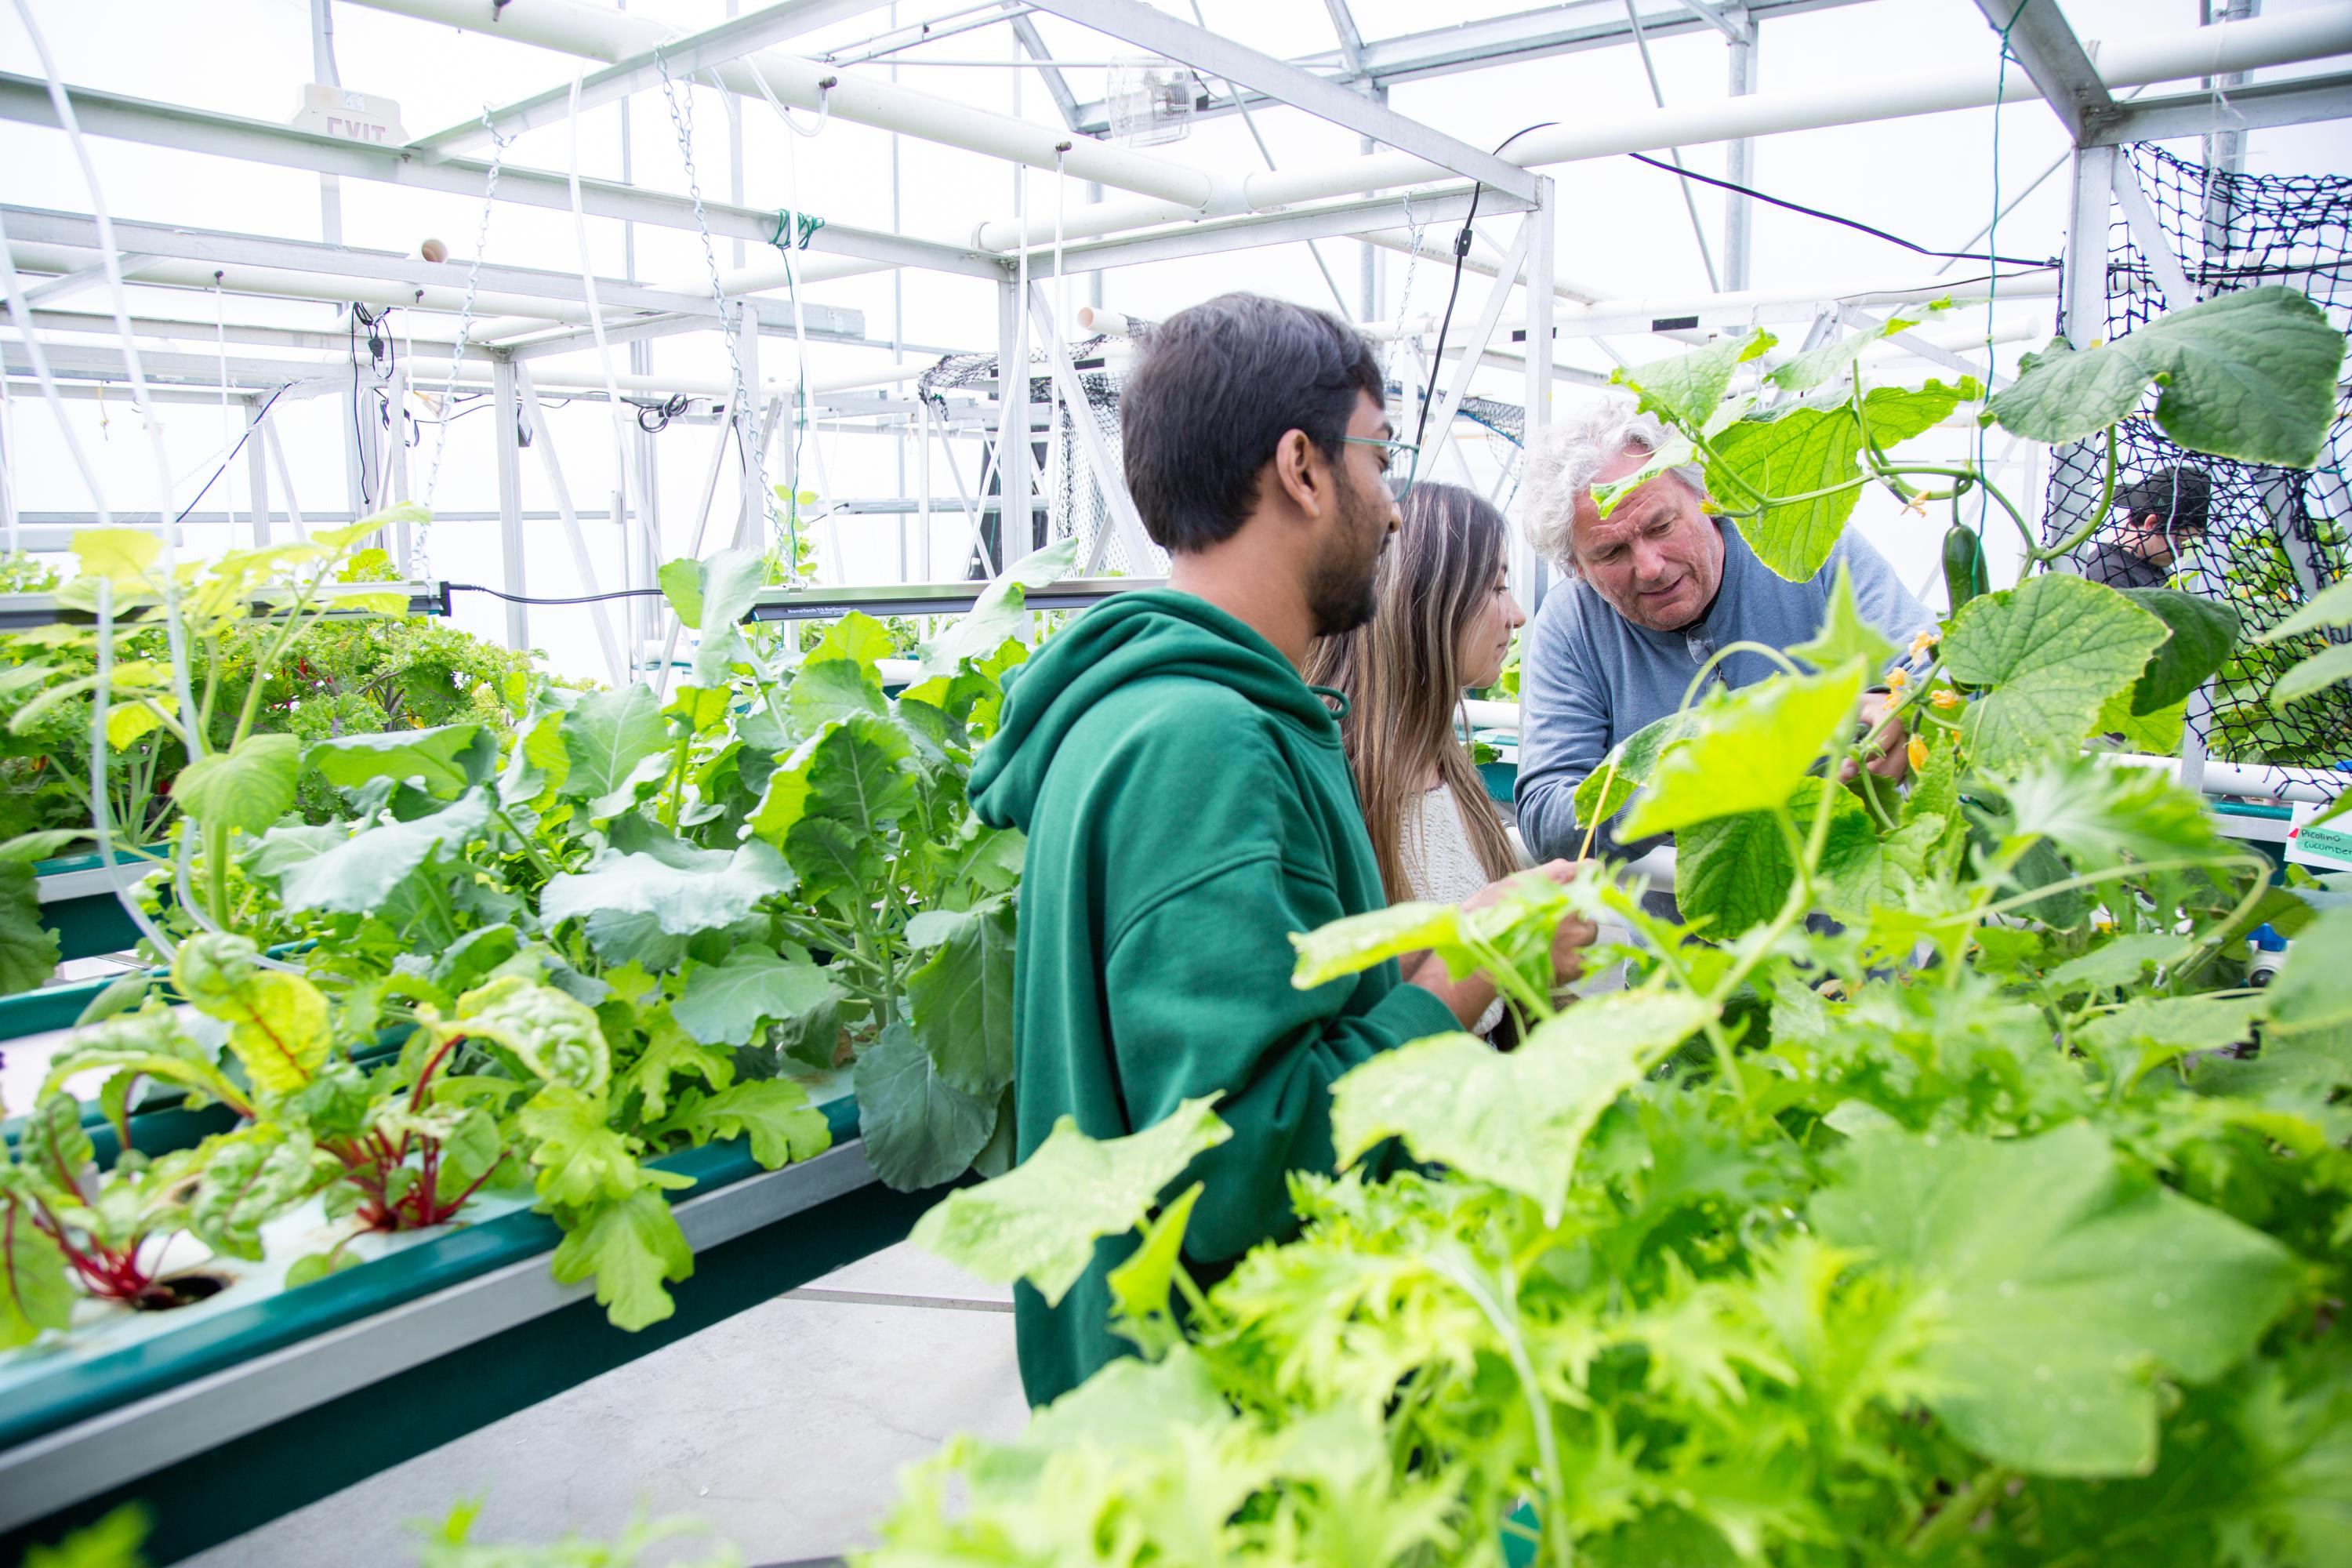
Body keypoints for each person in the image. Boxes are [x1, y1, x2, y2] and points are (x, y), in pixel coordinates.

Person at [969, 294, 1595, 1406]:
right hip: (1238, 1424)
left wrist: (1435, 959)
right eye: (1382, 461)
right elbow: (1241, 1163)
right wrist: (1469, 976)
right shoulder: (1203, 746)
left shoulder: (1181, 717)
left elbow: (1268, 1039)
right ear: (1302, 469)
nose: (1395, 512)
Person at [1514, 390, 1935, 862]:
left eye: (1661, 526)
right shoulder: (1574, 622)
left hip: (1852, 913)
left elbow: (1932, 670)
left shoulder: (1804, 548)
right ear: (1576, 568)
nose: (1650, 566)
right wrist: (1697, 778)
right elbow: (1548, 819)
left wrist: (1891, 702)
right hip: (1680, 932)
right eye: (1611, 553)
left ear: (1705, 496)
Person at [1306, 481, 1527, 1039]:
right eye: (1497, 586)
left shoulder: (1447, 767)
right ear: (1427, 602)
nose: (1517, 614)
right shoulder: (1330, 784)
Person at [2080, 465, 2211, 590]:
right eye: (2180, 542)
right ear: (2153, 525)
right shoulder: (2108, 575)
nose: (2181, 554)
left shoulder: (2156, 567)